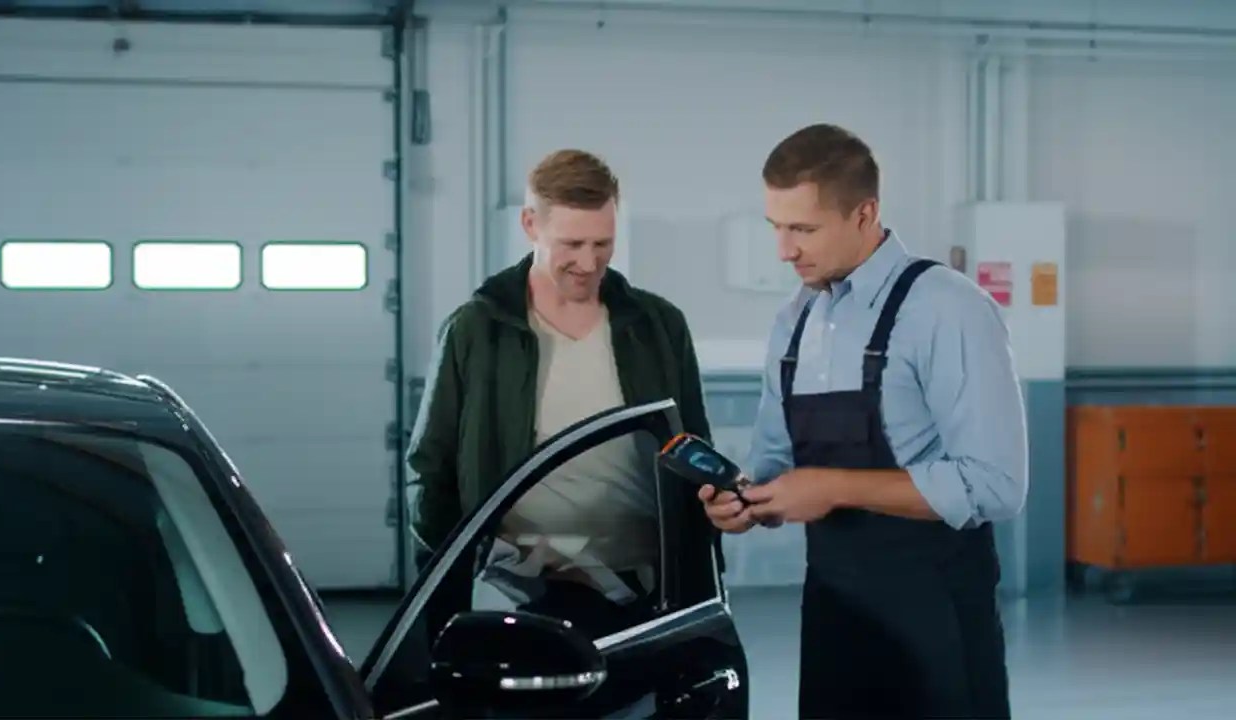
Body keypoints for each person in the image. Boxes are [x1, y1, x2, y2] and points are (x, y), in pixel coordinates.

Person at [700, 123, 1027, 719]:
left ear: (865, 213)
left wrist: (834, 488)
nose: (784, 250)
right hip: (835, 617)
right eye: (775, 227)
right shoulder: (794, 322)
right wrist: (746, 502)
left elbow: (996, 484)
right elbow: (774, 461)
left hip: (937, 618)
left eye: (803, 229)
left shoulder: (947, 308)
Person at [407, 148, 713, 633]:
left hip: (646, 589)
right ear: (530, 224)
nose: (588, 263)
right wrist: (444, 596)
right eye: (572, 244)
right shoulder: (476, 332)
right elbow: (431, 471)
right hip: (519, 591)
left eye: (603, 243)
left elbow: (694, 450)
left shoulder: (657, 326)